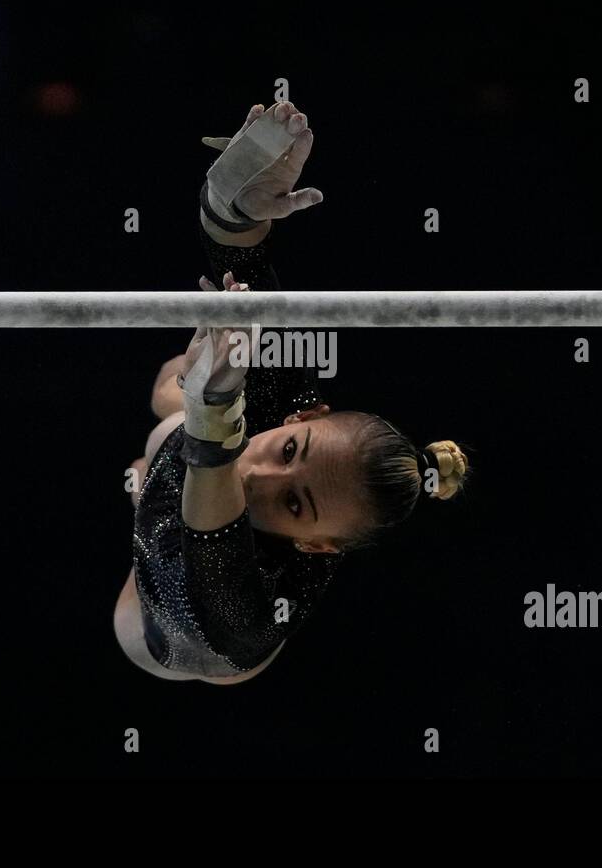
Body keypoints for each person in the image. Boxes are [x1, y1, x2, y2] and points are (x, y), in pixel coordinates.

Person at [114, 101, 470, 684]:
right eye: (287, 451)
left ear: (319, 547)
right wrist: (234, 214)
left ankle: (160, 471)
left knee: (190, 431)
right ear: (307, 412)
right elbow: (251, 280)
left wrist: (214, 414)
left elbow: (216, 562)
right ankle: (166, 459)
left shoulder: (256, 614)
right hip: (186, 475)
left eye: (296, 505)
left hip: (166, 631)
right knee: (185, 388)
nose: (263, 480)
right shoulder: (285, 397)